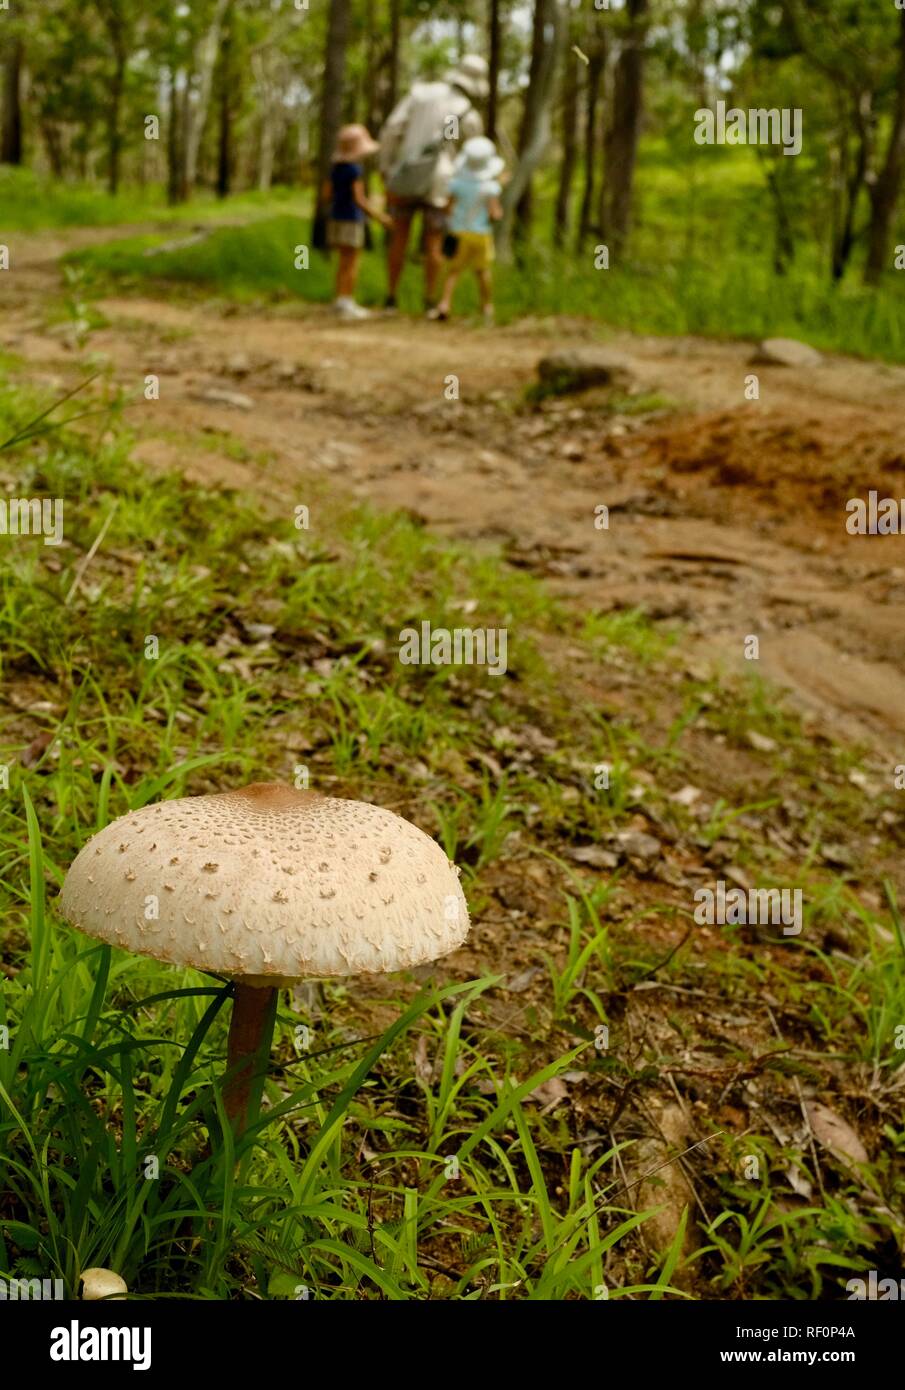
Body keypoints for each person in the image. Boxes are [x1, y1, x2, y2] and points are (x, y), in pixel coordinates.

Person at [378, 54, 488, 310]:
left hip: (406, 174)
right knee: (434, 241)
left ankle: (391, 298)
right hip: (441, 182)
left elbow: (392, 129)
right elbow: (471, 154)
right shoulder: (468, 113)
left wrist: (386, 167)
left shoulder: (420, 94)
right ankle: (429, 301)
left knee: (399, 235)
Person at [428, 136, 503, 324]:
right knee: (483, 271)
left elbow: (448, 207)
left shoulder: (457, 185)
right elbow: (495, 213)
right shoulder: (490, 188)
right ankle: (487, 307)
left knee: (453, 271)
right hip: (481, 235)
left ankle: (444, 304)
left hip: (458, 233)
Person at [322, 123, 393, 321]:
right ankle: (347, 301)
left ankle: (339, 300)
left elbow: (326, 194)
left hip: (336, 217)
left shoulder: (335, 169)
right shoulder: (355, 170)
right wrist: (380, 217)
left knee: (342, 262)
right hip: (351, 220)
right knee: (352, 261)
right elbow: (359, 199)